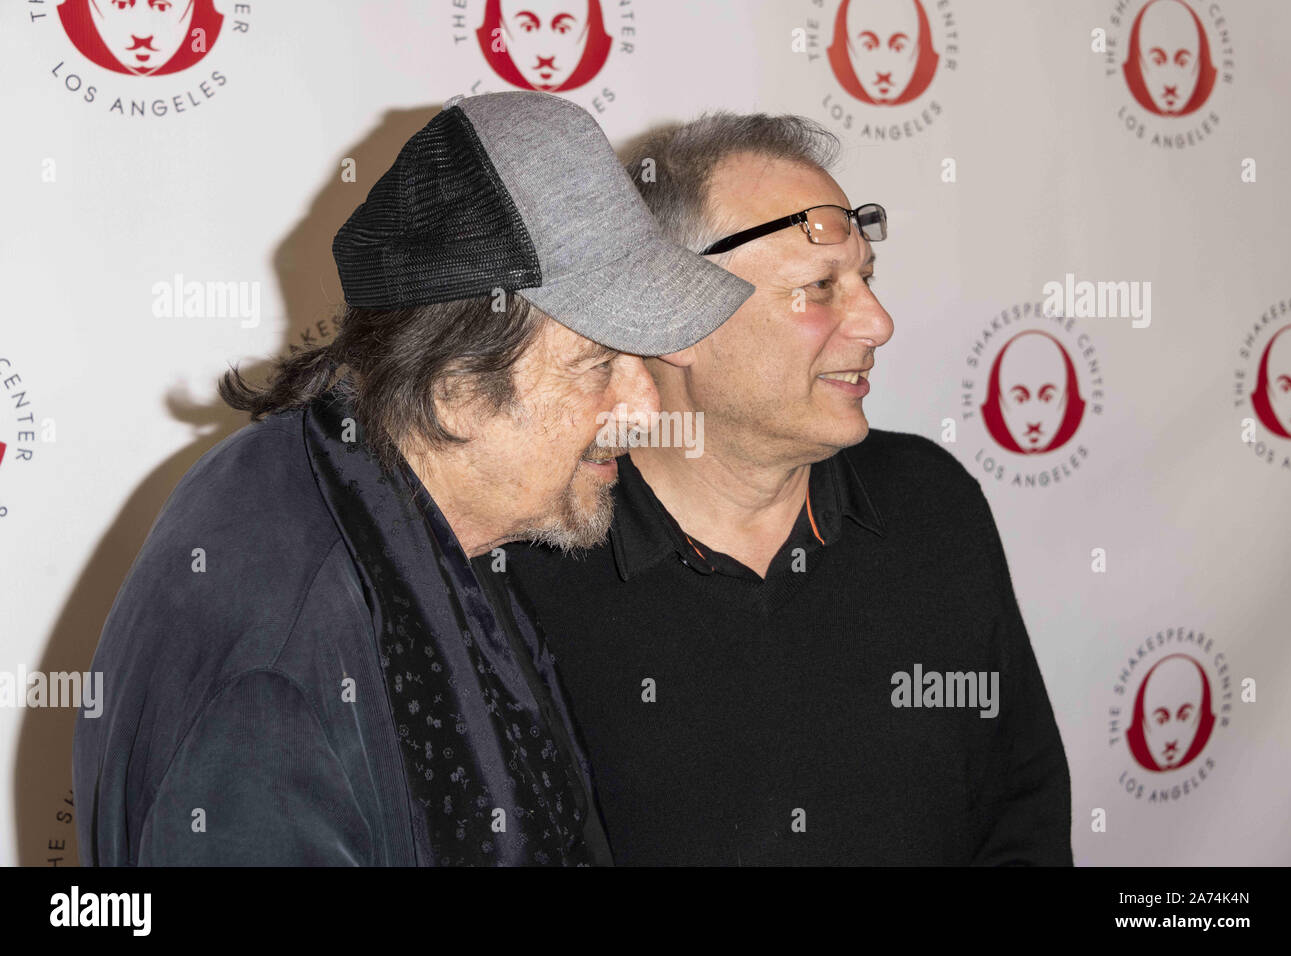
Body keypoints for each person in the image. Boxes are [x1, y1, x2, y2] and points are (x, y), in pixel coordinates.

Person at [72, 91, 753, 866]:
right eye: (599, 364)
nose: (642, 407)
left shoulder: (370, 494)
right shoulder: (276, 671)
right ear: (453, 389)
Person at [503, 112, 1074, 865]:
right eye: (820, 288)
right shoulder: (535, 564)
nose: (877, 322)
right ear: (679, 321)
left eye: (865, 278)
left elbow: (1019, 810)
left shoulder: (930, 503)